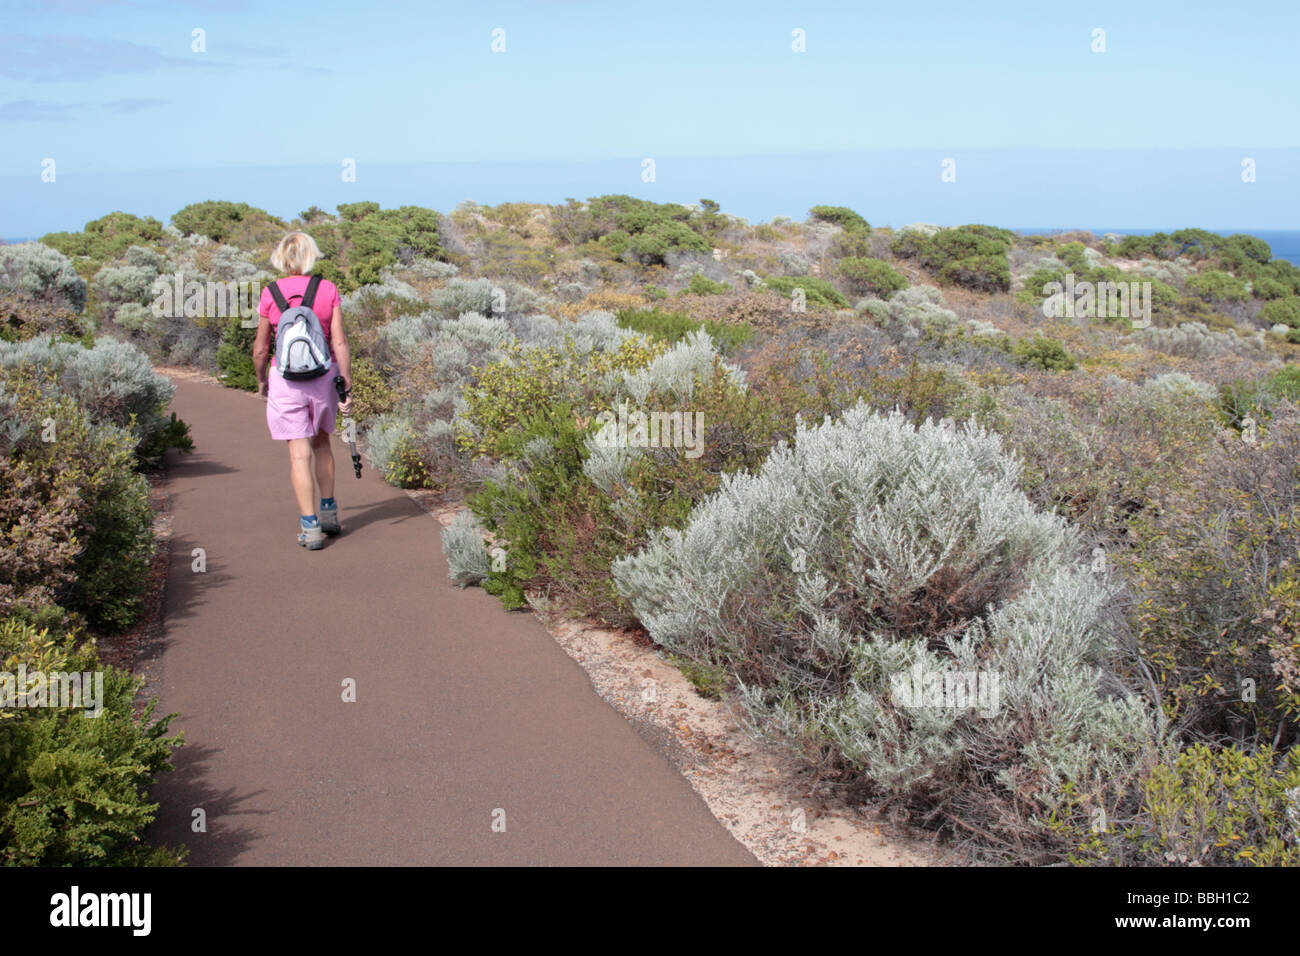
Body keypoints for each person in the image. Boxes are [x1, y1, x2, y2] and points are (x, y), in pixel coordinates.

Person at [253, 231, 352, 550]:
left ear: (281, 257)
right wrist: (345, 383)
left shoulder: (270, 293)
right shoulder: (327, 289)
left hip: (285, 380)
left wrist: (261, 380)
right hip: (323, 377)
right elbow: (338, 341)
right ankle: (329, 514)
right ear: (311, 256)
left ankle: (310, 529)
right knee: (322, 444)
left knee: (298, 454)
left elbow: (260, 347)